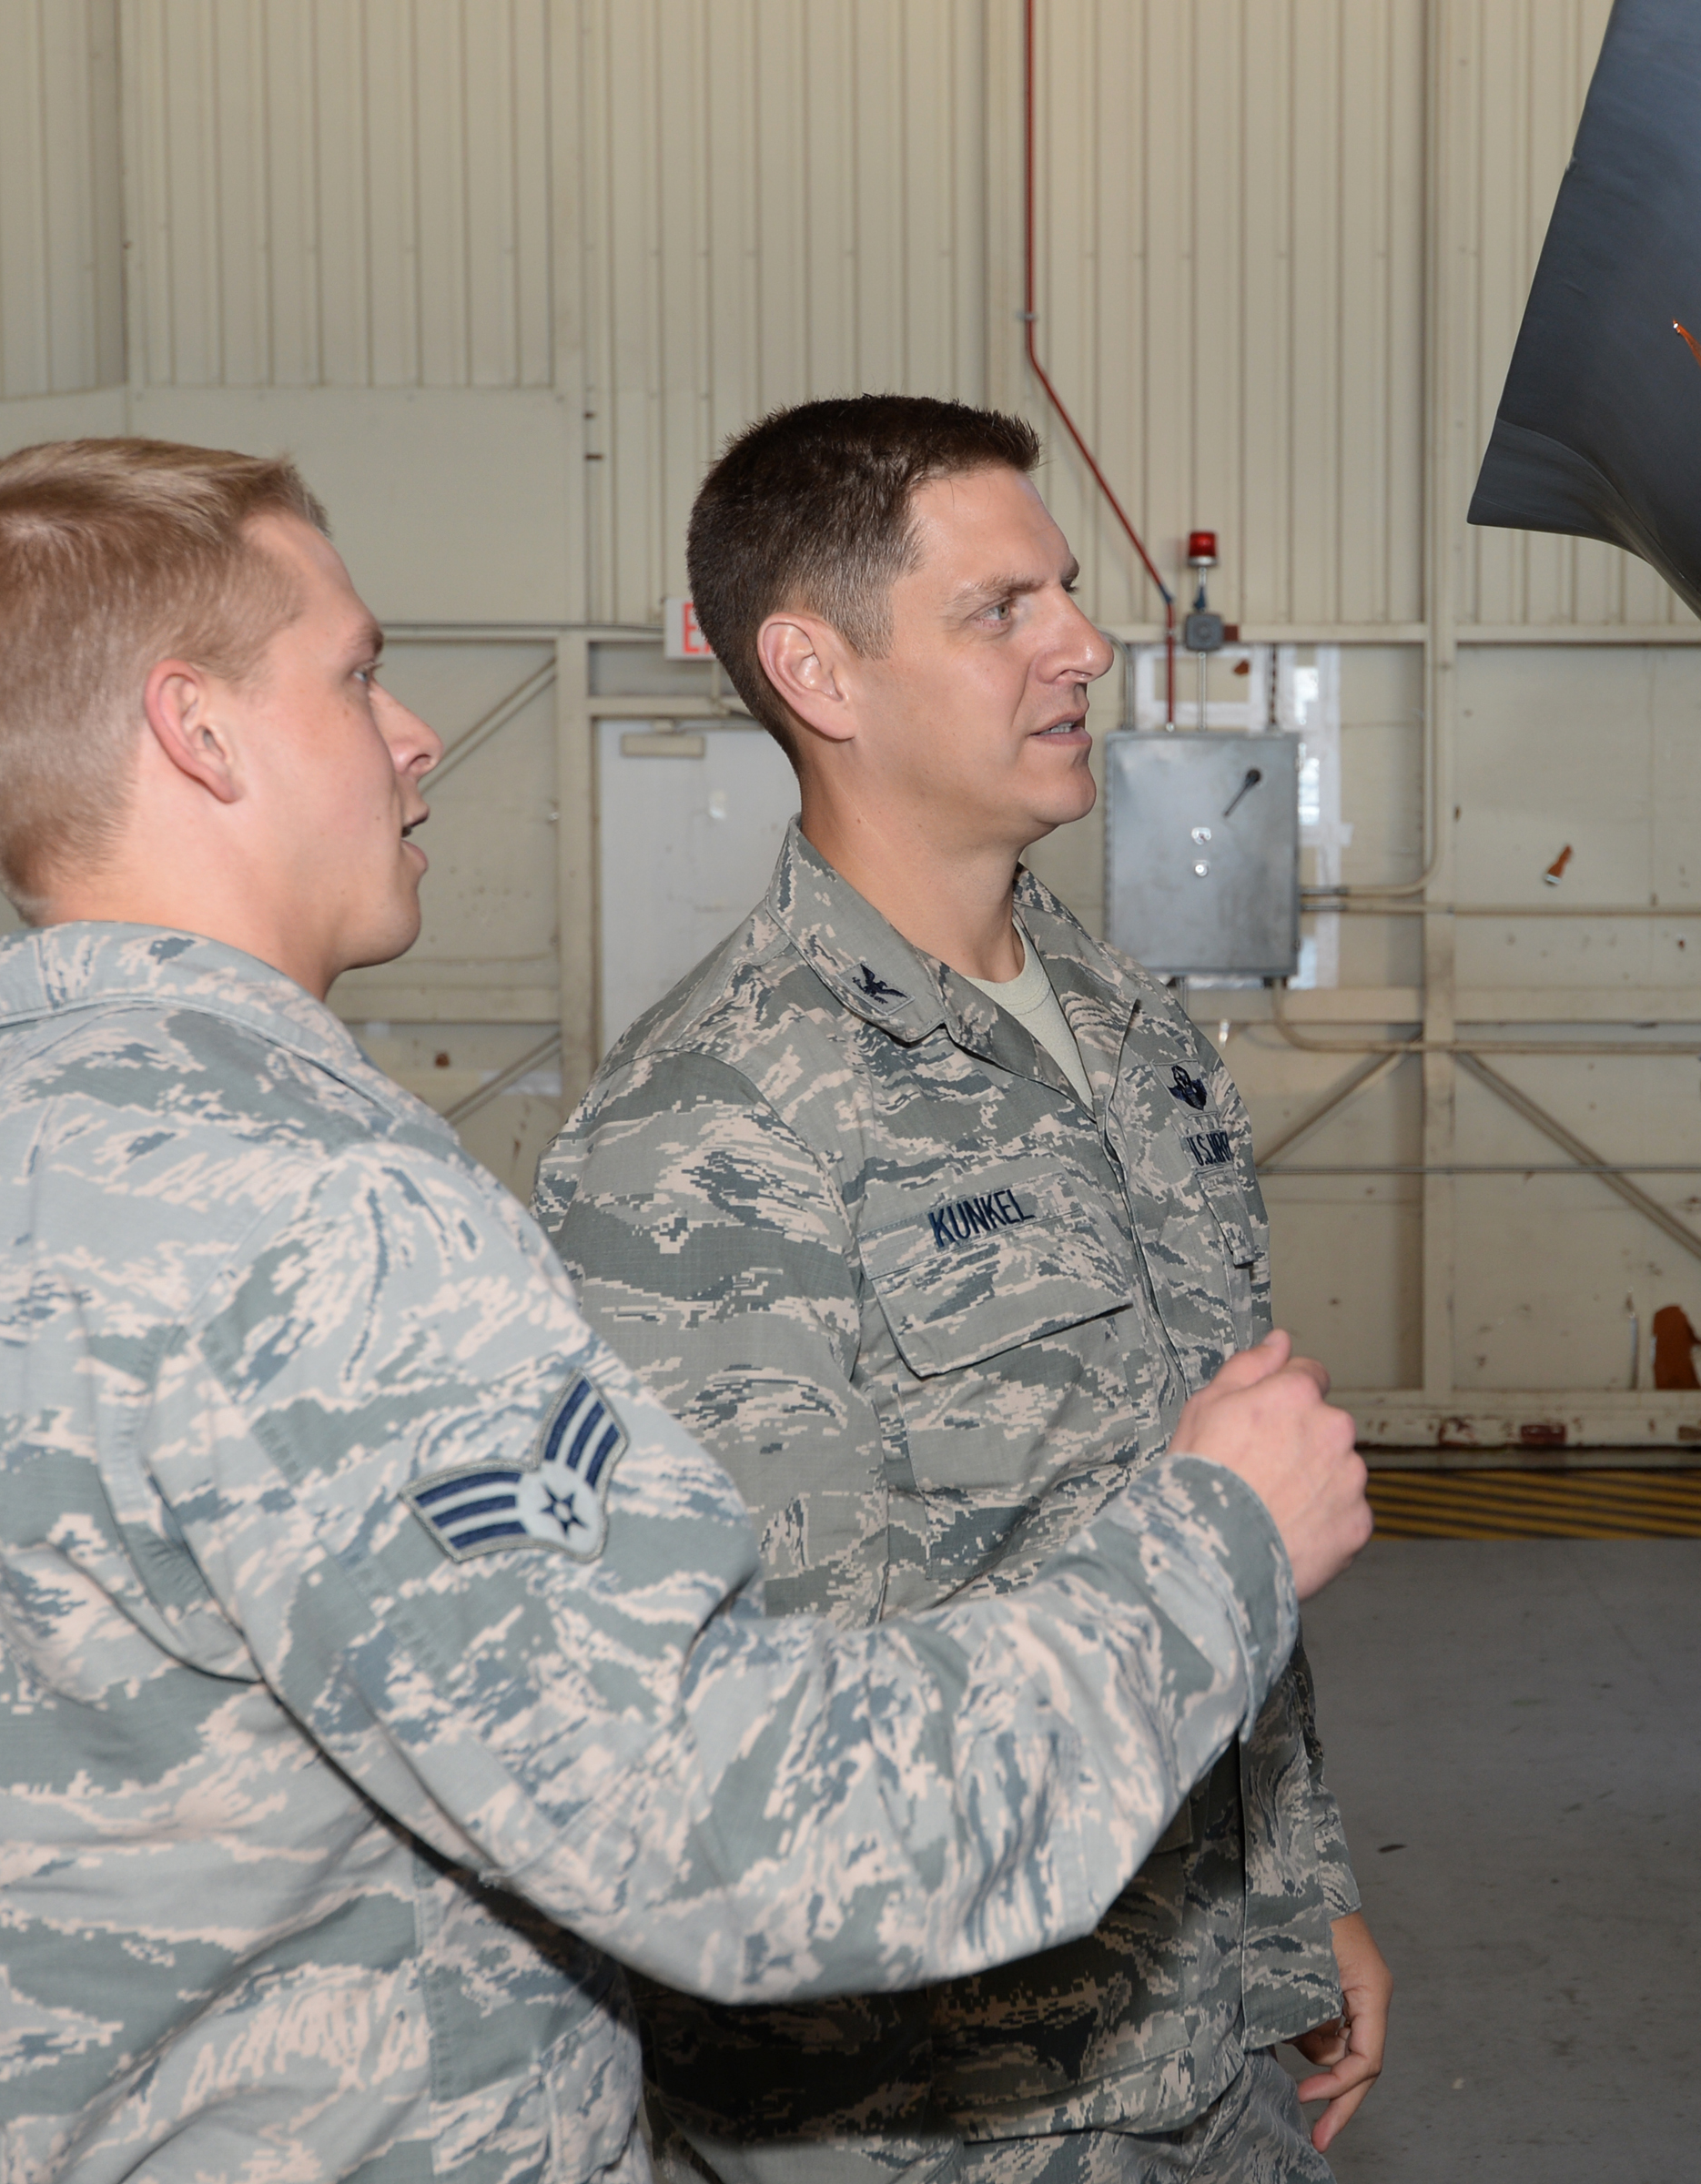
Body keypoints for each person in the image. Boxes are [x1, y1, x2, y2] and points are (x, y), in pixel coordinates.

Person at [0, 437, 1373, 2184]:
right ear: (199, 731)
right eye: (355, 678)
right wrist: (1220, 1539)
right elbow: (737, 1836)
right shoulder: (329, 1219)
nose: (416, 734)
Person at [533, 396, 1388, 2184]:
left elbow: (1218, 1531)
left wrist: (1298, 1907)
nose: (1085, 644)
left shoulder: (1136, 1037)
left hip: (1210, 2051)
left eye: (1064, 592)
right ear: (817, 673)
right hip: (931, 2115)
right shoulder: (706, 1133)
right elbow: (745, 1748)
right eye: (1003, 609)